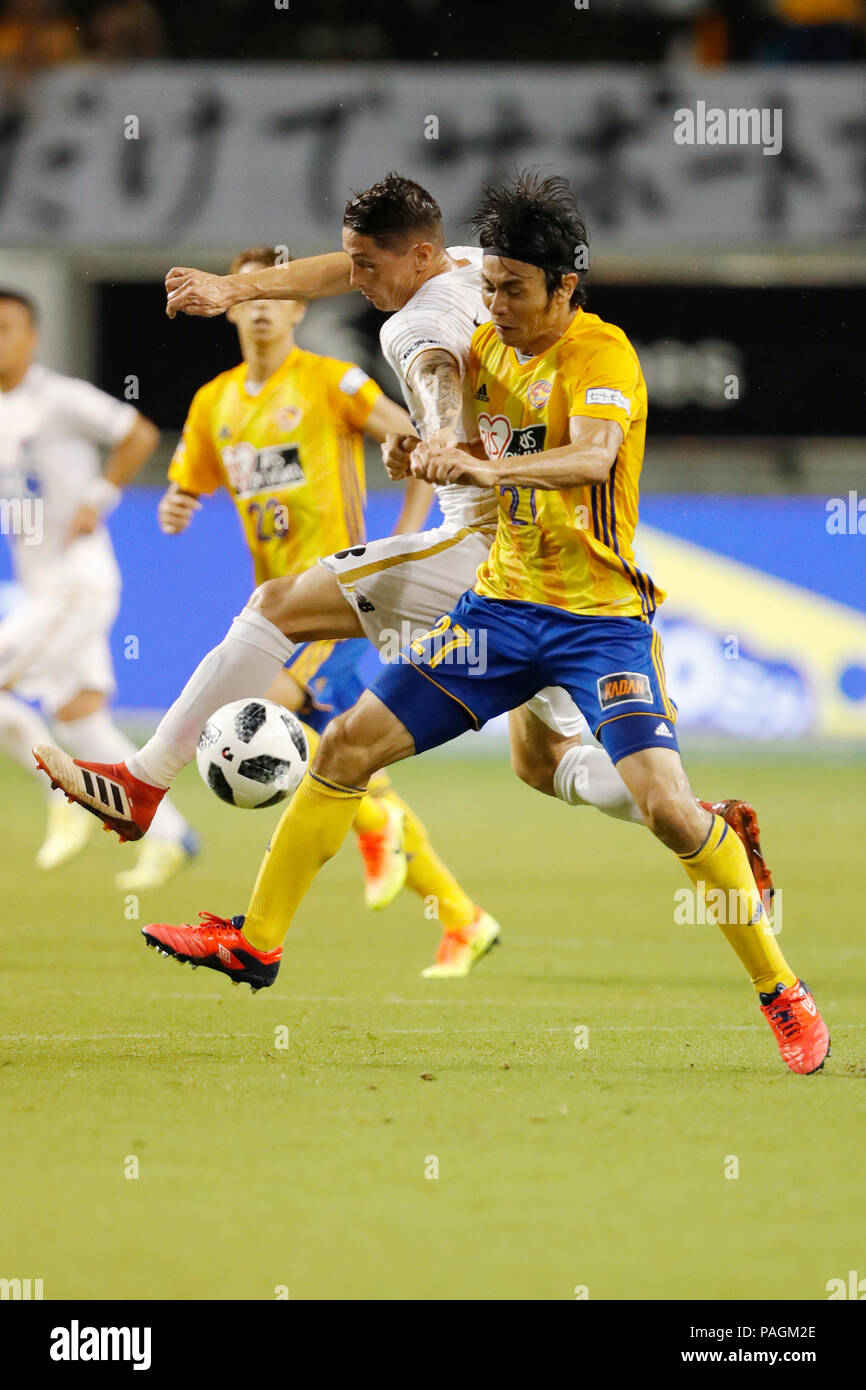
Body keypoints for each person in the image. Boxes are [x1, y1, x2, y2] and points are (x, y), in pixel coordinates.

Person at [137, 174, 826, 1076]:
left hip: (596, 622)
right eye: (489, 285)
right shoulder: (483, 341)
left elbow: (591, 457)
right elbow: (400, 338)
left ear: (563, 288)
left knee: (663, 807)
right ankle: (255, 941)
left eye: (512, 291)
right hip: (496, 613)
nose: (491, 306)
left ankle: (780, 989)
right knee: (346, 747)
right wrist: (415, 447)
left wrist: (484, 473)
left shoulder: (601, 355)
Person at [153, 243, 495, 968]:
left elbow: (415, 436)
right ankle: (459, 913)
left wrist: (410, 537)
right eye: (245, 298)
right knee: (342, 752)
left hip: (337, 604)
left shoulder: (334, 380)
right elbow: (197, 475)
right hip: (278, 611)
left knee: (243, 722)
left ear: (298, 307)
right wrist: (182, 499)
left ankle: (378, 830)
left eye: (272, 296)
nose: (260, 310)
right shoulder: (214, 402)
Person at [0, 287, 197, 887]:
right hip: (41, 587)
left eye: (7, 327)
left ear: (33, 337)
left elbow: (136, 431)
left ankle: (64, 798)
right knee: (80, 716)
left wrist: (98, 498)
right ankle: (171, 836)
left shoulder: (58, 398)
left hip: (77, 583)